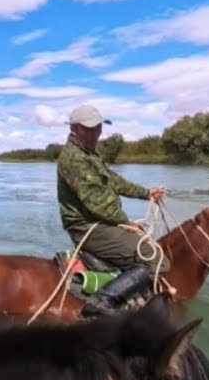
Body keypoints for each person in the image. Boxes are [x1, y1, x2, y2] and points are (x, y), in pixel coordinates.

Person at [57, 104, 169, 315]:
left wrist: (146, 193)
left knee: (145, 245)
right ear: (74, 129)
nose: (96, 133)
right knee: (156, 259)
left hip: (99, 222)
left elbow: (113, 180)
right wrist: (126, 223)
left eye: (98, 128)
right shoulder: (74, 159)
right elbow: (97, 202)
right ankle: (102, 303)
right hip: (87, 227)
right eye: (90, 129)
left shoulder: (88, 153)